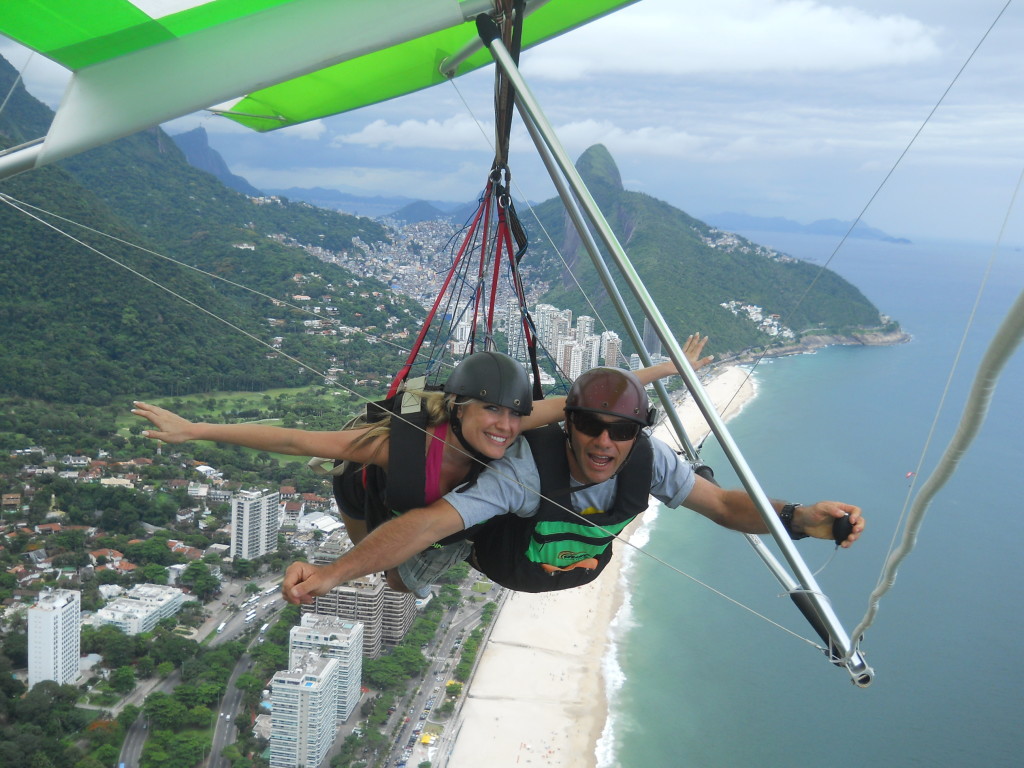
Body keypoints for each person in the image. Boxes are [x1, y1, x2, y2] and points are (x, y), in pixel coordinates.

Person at [134, 337, 712, 595]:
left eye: (513, 414)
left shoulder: (519, 423)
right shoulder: (403, 446)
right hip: (383, 502)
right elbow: (296, 439)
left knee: (426, 567)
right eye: (491, 412)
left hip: (448, 517)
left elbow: (599, 399)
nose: (505, 427)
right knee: (393, 578)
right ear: (461, 408)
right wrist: (196, 429)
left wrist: (672, 368)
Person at [281, 365, 863, 604]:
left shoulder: (650, 460)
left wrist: (801, 518)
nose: (605, 442)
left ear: (637, 434)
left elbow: (726, 506)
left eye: (622, 431)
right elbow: (429, 523)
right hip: (502, 553)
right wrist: (333, 573)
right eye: (590, 426)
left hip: (571, 566)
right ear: (568, 424)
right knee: (400, 581)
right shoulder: (526, 469)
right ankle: (358, 492)